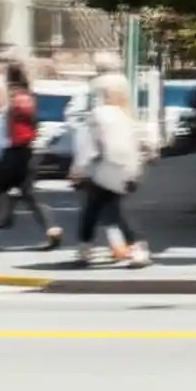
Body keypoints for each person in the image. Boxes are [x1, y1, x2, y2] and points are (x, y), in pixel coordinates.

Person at [0, 62, 63, 253]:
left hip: (11, 153)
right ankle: (52, 229)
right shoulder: (29, 96)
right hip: (29, 153)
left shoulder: (10, 99)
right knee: (30, 194)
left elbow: (2, 132)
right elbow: (34, 125)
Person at [70, 72, 150, 267]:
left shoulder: (99, 114)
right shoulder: (127, 114)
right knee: (98, 208)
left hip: (104, 169)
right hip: (125, 170)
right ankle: (87, 248)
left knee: (105, 211)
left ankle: (134, 246)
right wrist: (136, 171)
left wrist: (77, 168)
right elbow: (137, 144)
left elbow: (89, 145)